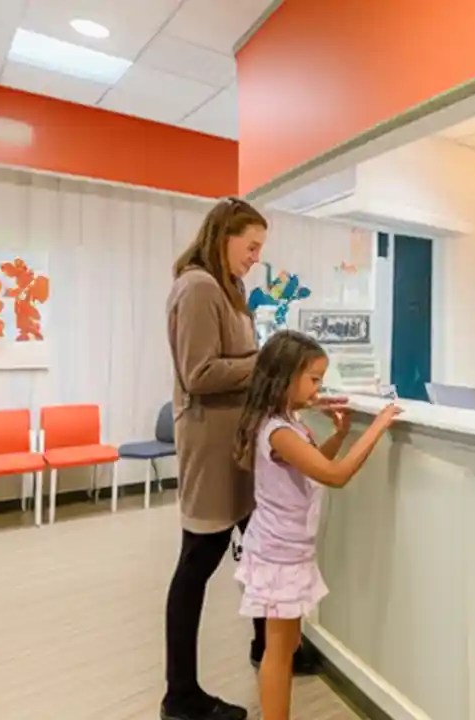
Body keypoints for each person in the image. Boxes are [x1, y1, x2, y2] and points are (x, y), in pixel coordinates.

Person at [231, 330, 402, 720]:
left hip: (288, 549)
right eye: (313, 380)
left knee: (287, 644)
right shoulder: (278, 430)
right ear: (285, 377)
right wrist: (379, 424)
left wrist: (341, 433)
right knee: (278, 651)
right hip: (278, 553)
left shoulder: (287, 423)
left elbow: (311, 468)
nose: (318, 389)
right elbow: (335, 475)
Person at [161, 197, 267, 720]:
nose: (255, 258)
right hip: (210, 447)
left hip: (238, 447)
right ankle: (180, 697)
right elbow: (199, 374)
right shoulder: (199, 287)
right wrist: (263, 364)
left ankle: (270, 646)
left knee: (261, 548)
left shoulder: (230, 288)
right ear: (224, 236)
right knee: (196, 565)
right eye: (251, 247)